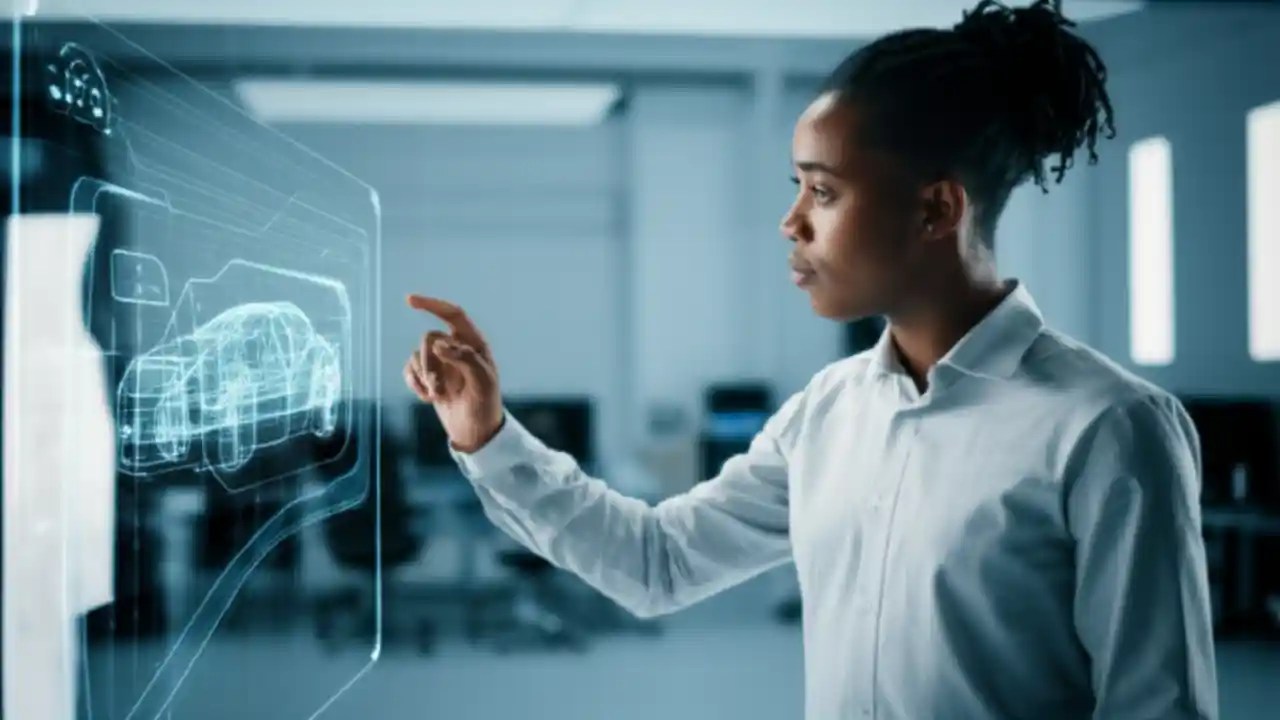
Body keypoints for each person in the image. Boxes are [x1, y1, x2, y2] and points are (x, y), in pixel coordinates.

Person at [402, 1, 1218, 717]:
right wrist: (488, 435)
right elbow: (658, 562)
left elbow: (1159, 708)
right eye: (796, 187)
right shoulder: (828, 411)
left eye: (822, 192)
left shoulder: (1107, 427)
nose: (790, 222)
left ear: (937, 208)